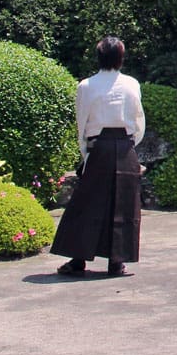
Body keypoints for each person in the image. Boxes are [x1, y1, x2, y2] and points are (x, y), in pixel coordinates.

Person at [51, 36, 145, 278]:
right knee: (123, 205)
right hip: (125, 148)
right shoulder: (131, 84)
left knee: (88, 205)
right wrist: (132, 145)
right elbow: (138, 120)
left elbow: (82, 124)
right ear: (121, 57)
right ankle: (117, 261)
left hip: (99, 147)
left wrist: (86, 152)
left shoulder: (86, 86)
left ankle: (79, 259)